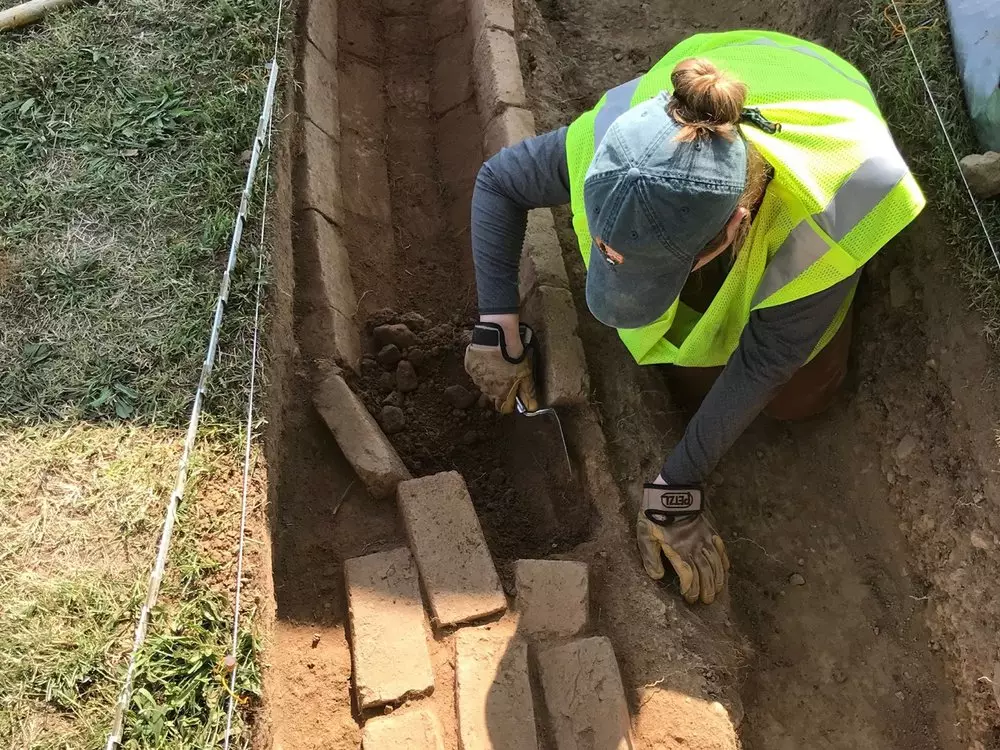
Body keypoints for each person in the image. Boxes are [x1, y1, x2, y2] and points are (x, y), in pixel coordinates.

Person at [463, 30, 925, 604]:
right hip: (744, 71)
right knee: (685, 361)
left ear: (733, 227)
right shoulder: (620, 142)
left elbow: (769, 357)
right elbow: (498, 182)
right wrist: (497, 328)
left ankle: (843, 288)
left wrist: (675, 490)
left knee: (800, 399)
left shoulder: (828, 217)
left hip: (831, 118)